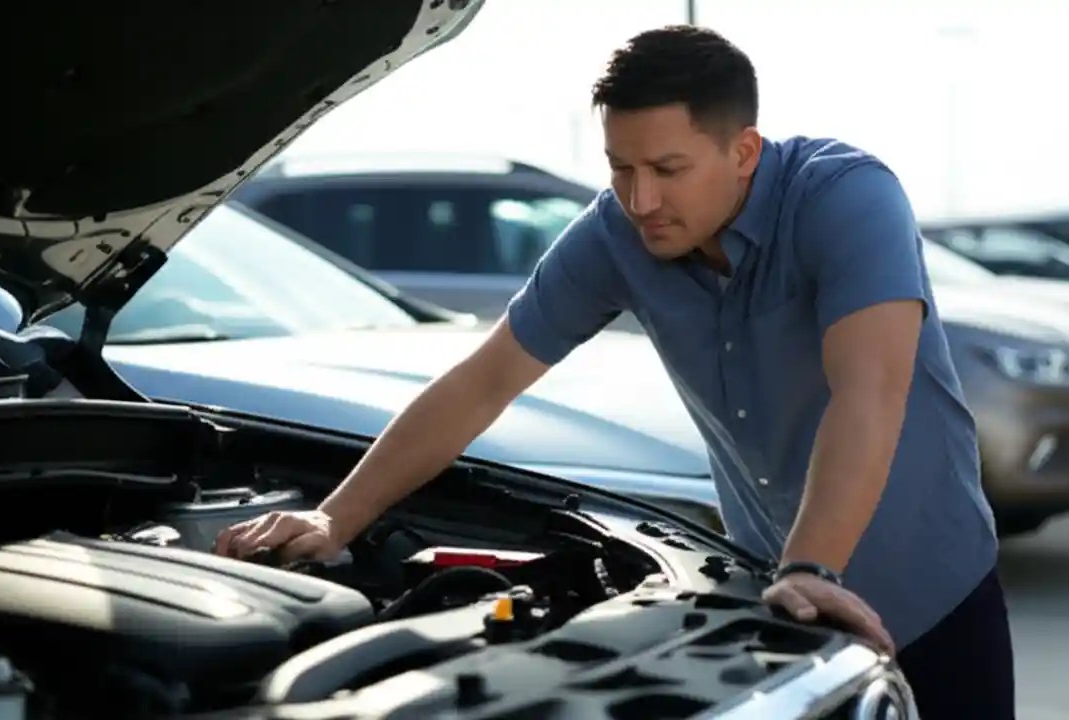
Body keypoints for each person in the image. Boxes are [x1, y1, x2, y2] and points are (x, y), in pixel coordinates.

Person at [214, 25, 1015, 718]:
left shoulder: (847, 197)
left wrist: (812, 563)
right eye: (619, 168)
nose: (640, 199)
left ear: (744, 151)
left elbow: (871, 389)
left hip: (930, 595)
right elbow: (484, 379)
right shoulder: (617, 233)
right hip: (781, 612)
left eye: (668, 168)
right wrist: (334, 519)